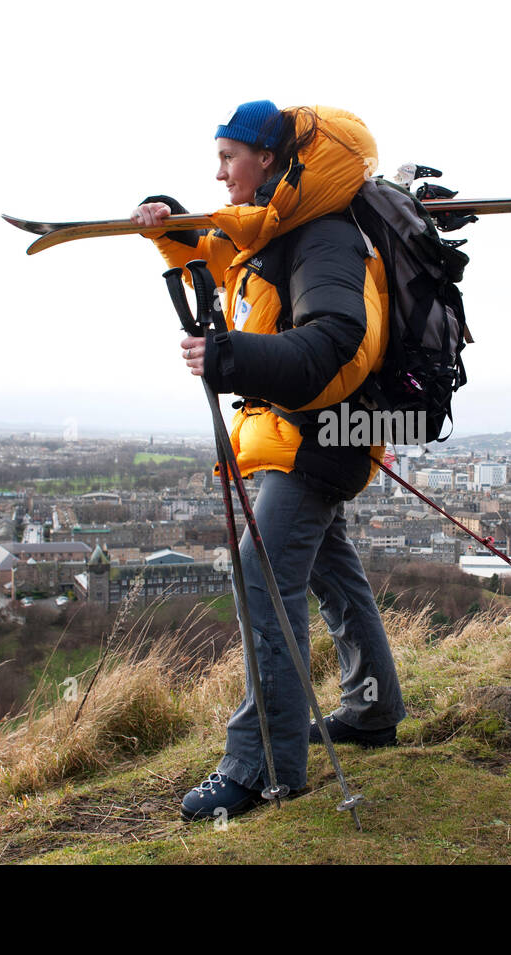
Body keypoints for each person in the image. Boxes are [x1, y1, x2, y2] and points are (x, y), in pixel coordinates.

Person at [131, 100, 406, 822]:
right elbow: (219, 259)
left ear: (270, 160)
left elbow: (338, 340)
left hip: (317, 440)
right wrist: (174, 226)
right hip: (311, 438)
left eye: (229, 157)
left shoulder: (324, 238)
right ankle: (373, 708)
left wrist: (227, 355)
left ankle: (261, 766)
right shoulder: (276, 231)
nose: (219, 171)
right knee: (328, 569)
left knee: (261, 574)